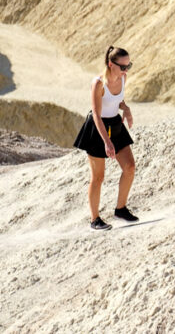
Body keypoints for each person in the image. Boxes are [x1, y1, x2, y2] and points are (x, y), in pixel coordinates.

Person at [73, 45, 138, 230]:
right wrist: (107, 142)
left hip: (115, 125)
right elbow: (96, 114)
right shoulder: (99, 83)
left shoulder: (123, 77)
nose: (126, 70)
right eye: (123, 66)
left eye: (128, 66)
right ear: (111, 64)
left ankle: (121, 209)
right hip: (98, 129)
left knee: (130, 167)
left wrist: (125, 108)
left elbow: (117, 101)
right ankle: (95, 220)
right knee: (98, 177)